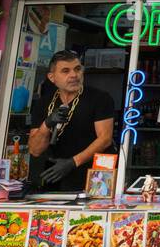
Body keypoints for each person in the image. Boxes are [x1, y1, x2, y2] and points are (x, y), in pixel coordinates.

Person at [28, 50, 115, 192]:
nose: (74, 75)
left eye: (77, 69)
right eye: (65, 71)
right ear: (52, 77)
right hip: (55, 175)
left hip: (95, 174)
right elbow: (35, 150)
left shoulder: (100, 98)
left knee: (93, 212)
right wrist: (47, 124)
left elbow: (105, 139)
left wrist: (72, 162)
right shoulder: (44, 102)